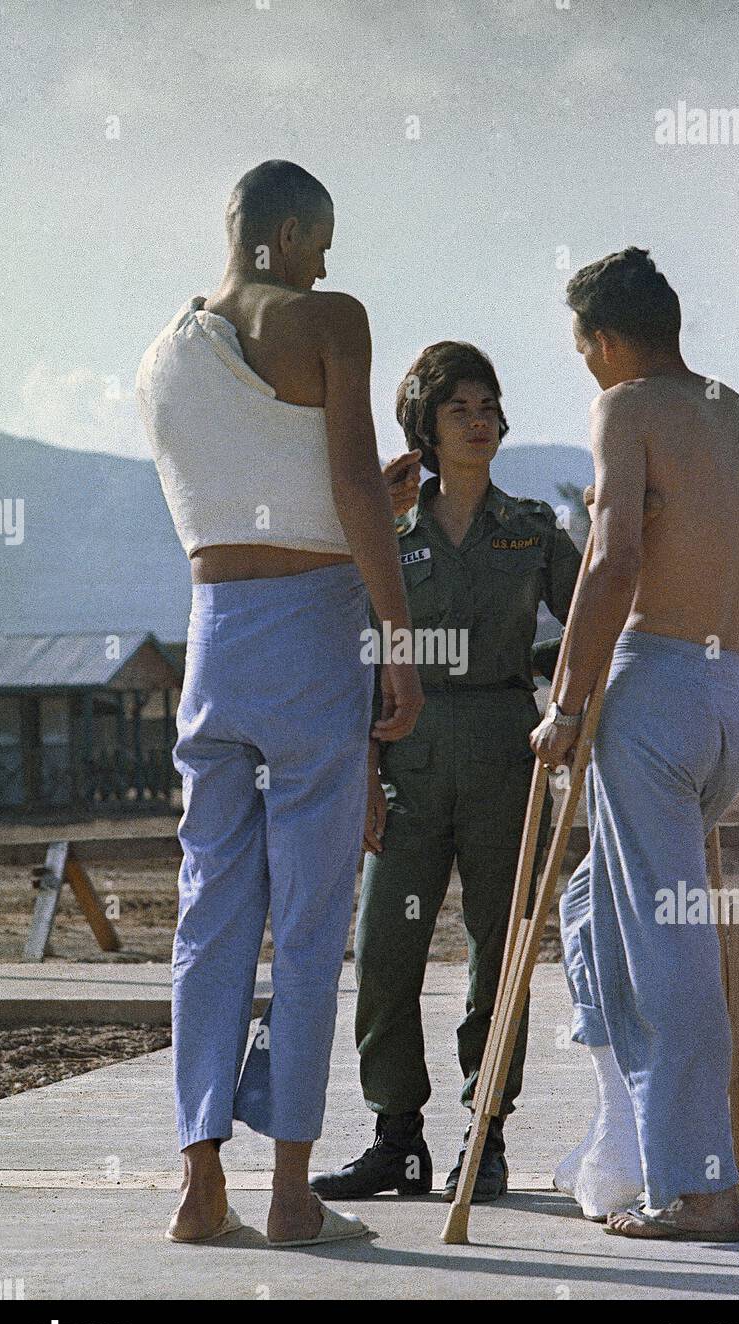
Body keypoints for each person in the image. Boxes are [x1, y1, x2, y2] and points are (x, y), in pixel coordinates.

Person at [135, 160, 423, 1248]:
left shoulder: (162, 356)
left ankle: (198, 1183)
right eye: (323, 242)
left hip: (214, 639)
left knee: (210, 915)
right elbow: (348, 485)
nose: (328, 264)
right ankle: (292, 1192)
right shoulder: (330, 319)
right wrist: (399, 642)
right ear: (289, 234)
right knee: (306, 924)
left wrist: (354, 507)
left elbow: (252, 494)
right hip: (313, 636)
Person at [532, 248, 739, 1240]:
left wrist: (566, 706)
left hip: (653, 691)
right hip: (725, 692)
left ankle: (698, 1186)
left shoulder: (626, 406)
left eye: (583, 350)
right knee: (590, 908)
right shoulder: (735, 411)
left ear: (606, 340)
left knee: (664, 947)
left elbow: (611, 561)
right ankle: (625, 1137)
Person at [309, 341, 582, 1204]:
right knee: (387, 950)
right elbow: (357, 651)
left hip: (506, 754)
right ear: (425, 427)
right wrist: (361, 764)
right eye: (459, 408)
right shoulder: (388, 532)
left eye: (488, 406)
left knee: (499, 956)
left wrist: (562, 703)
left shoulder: (531, 528)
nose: (478, 421)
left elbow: (591, 623)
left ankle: (486, 1131)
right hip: (408, 758)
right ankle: (397, 1138)